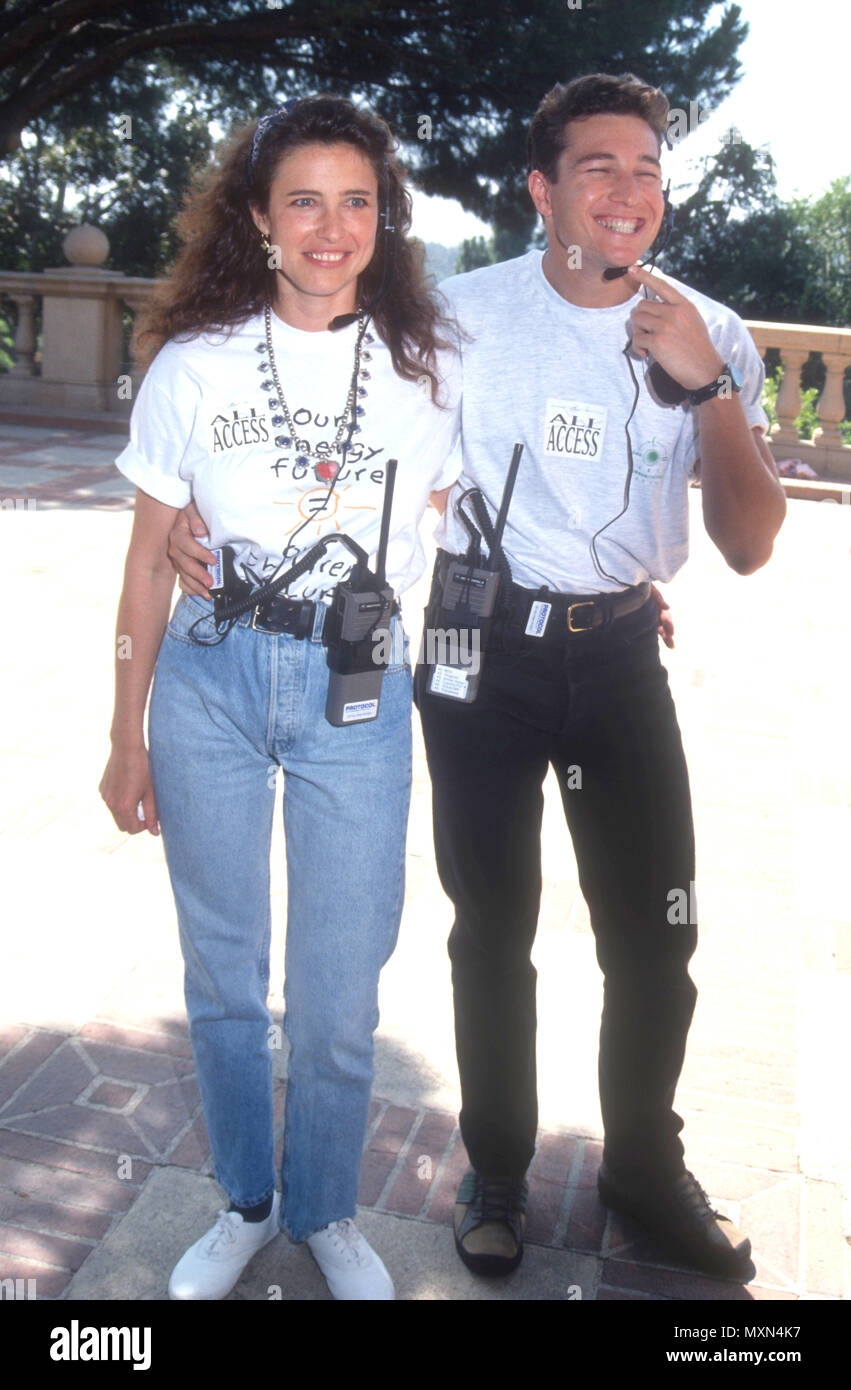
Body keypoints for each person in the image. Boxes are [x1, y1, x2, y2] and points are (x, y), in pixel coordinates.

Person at [413, 72, 786, 1282]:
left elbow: (747, 540)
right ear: (541, 189)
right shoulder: (458, 312)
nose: (627, 193)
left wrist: (708, 382)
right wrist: (207, 527)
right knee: (492, 927)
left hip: (620, 651)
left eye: (646, 171)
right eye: (596, 167)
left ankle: (640, 1164)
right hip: (476, 643)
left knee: (654, 932)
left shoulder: (706, 326)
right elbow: (350, 439)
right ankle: (498, 1165)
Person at [99, 94, 461, 1302]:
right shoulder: (193, 365)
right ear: (256, 217)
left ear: (383, 220)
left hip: (353, 690)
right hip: (207, 677)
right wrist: (122, 733)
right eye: (302, 199)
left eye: (355, 200)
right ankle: (248, 1203)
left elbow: (470, 519)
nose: (330, 225)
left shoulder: (429, 368)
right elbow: (150, 558)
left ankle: (325, 1210)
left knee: (337, 986)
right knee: (222, 968)